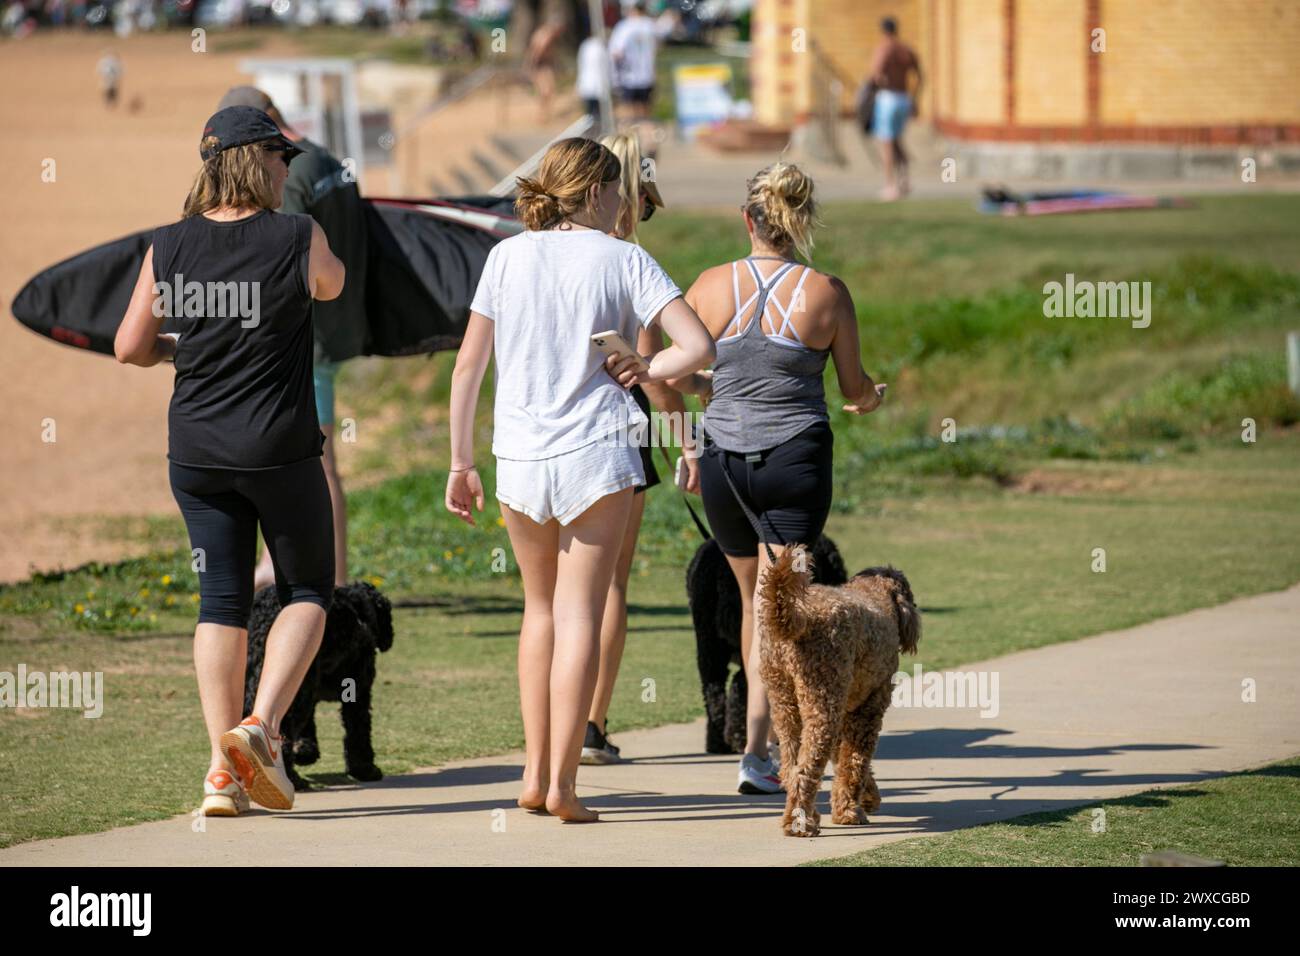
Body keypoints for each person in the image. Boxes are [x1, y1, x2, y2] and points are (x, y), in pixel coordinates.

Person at [445, 137, 714, 821]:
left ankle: (535, 775)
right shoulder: (626, 259)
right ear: (596, 193)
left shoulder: (505, 256)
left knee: (538, 614)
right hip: (598, 452)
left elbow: (468, 367)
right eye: (619, 190)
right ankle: (565, 785)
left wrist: (461, 461)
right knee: (580, 615)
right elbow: (700, 347)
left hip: (520, 457)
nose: (625, 201)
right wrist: (648, 372)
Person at [115, 106, 346, 815]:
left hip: (196, 451)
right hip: (278, 448)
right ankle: (261, 725)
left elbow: (129, 345)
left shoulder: (170, 242)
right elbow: (331, 285)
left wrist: (184, 348)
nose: (288, 168)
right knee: (310, 588)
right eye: (281, 158)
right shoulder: (296, 234)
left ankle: (221, 771)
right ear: (257, 161)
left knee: (220, 601)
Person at [670, 162, 886, 795]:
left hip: (724, 462)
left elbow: (677, 375)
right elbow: (852, 389)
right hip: (796, 459)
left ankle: (757, 752)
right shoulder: (828, 292)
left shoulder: (710, 285)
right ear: (802, 222)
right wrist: (873, 396)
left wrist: (714, 387)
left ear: (748, 219)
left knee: (753, 603)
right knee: (785, 603)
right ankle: (782, 754)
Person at [214, 87, 367, 595]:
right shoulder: (324, 160)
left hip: (306, 340)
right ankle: (291, 568)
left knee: (321, 464)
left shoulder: (292, 177)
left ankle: (333, 582)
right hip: (335, 327)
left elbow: (276, 258)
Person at [579, 131, 699, 765]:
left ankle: (557, 725)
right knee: (610, 585)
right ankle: (592, 721)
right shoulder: (629, 260)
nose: (645, 214)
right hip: (620, 430)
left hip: (547, 433)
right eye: (644, 203)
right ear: (627, 195)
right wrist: (689, 444)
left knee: (554, 593)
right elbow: (656, 372)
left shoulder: (551, 250)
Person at [867, 16, 922, 200]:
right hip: (904, 98)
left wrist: (878, 84)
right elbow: (920, 75)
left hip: (888, 98)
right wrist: (915, 98)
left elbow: (876, 73)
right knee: (897, 140)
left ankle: (890, 186)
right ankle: (905, 181)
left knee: (887, 143)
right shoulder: (906, 49)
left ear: (883, 30)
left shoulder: (885, 47)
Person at [609, 1, 659, 121]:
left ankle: (632, 136)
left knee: (629, 112)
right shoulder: (649, 25)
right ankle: (647, 136)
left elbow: (616, 53)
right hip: (647, 75)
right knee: (645, 111)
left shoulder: (624, 27)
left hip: (629, 76)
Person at [525, 18, 566, 124]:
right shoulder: (546, 36)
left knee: (548, 91)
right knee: (546, 91)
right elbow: (537, 52)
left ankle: (544, 114)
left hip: (543, 65)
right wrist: (531, 67)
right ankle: (542, 116)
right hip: (540, 66)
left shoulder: (547, 35)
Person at [576, 31, 612, 123]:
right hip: (594, 85)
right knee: (594, 112)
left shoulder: (586, 46)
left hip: (592, 85)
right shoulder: (597, 46)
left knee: (593, 112)